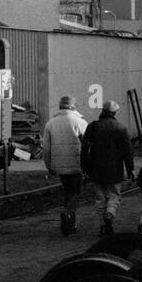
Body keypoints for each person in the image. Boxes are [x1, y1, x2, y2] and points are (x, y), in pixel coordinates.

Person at [80, 101, 135, 236]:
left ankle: (102, 226)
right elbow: (127, 152)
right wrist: (130, 169)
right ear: (115, 113)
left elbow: (84, 150)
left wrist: (85, 168)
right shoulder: (120, 128)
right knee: (114, 195)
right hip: (115, 170)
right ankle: (110, 213)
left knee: (100, 198)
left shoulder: (92, 127)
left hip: (96, 170)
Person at [42, 95, 88, 235]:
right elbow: (87, 145)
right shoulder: (80, 122)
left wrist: (48, 165)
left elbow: (46, 148)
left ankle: (70, 224)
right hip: (76, 165)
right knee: (76, 192)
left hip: (59, 166)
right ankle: (67, 214)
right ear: (73, 106)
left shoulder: (51, 123)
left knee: (68, 192)